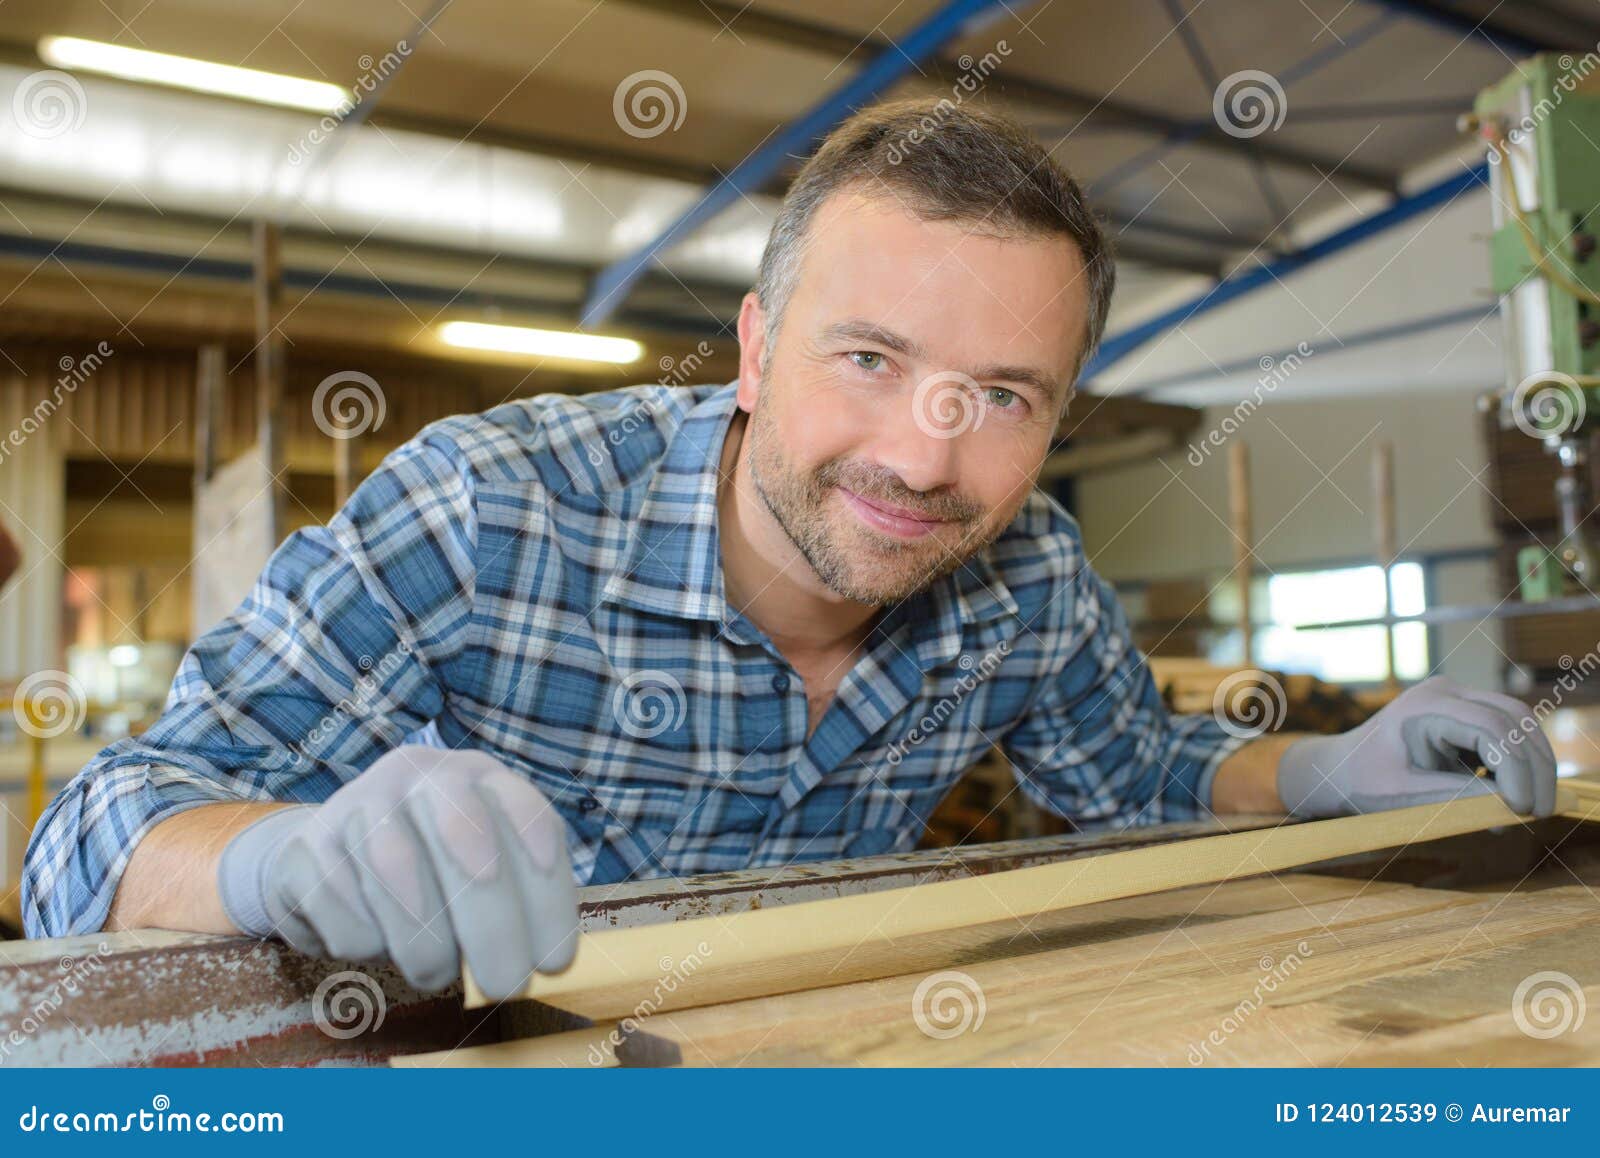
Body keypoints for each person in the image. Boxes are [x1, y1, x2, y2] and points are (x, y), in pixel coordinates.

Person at [21, 99, 1555, 999]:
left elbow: (1135, 777)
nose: (922, 457)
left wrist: (1331, 766)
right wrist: (285, 852)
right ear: (754, 349)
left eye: (1002, 396)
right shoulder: (484, 508)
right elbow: (90, 837)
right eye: (869, 359)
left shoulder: (1026, 581)